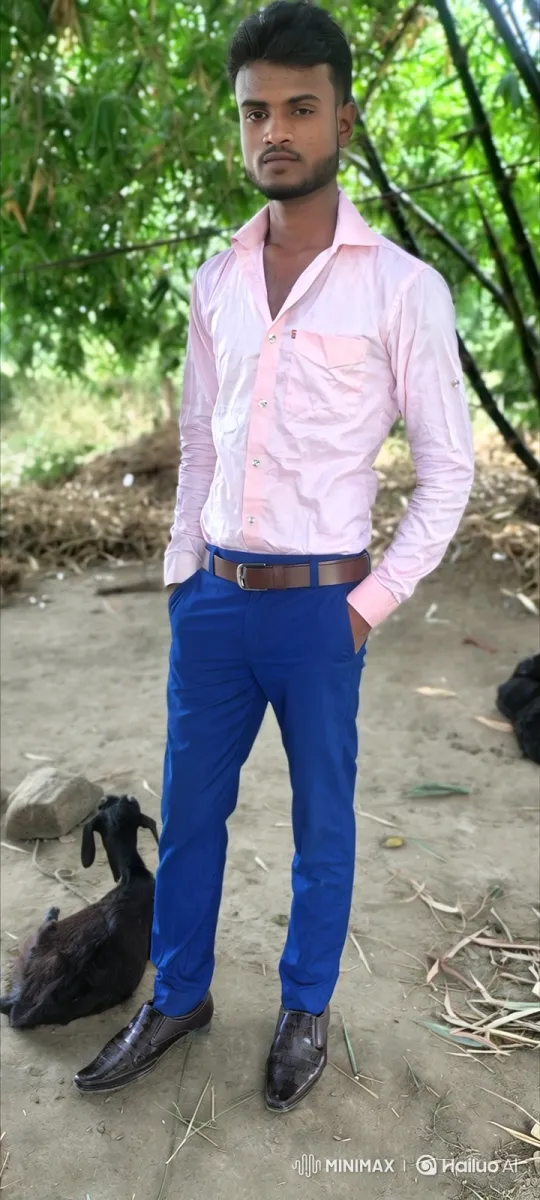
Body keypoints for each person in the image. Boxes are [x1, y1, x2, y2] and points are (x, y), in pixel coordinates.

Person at [75, 1, 474, 1111]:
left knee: (322, 821)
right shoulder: (215, 283)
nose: (276, 131)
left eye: (301, 108)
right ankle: (181, 995)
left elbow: (449, 469)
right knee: (192, 812)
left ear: (345, 116)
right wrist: (179, 573)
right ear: (240, 124)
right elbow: (202, 437)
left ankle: (305, 1005)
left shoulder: (403, 290)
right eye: (257, 111)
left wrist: (368, 603)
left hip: (321, 608)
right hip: (214, 600)